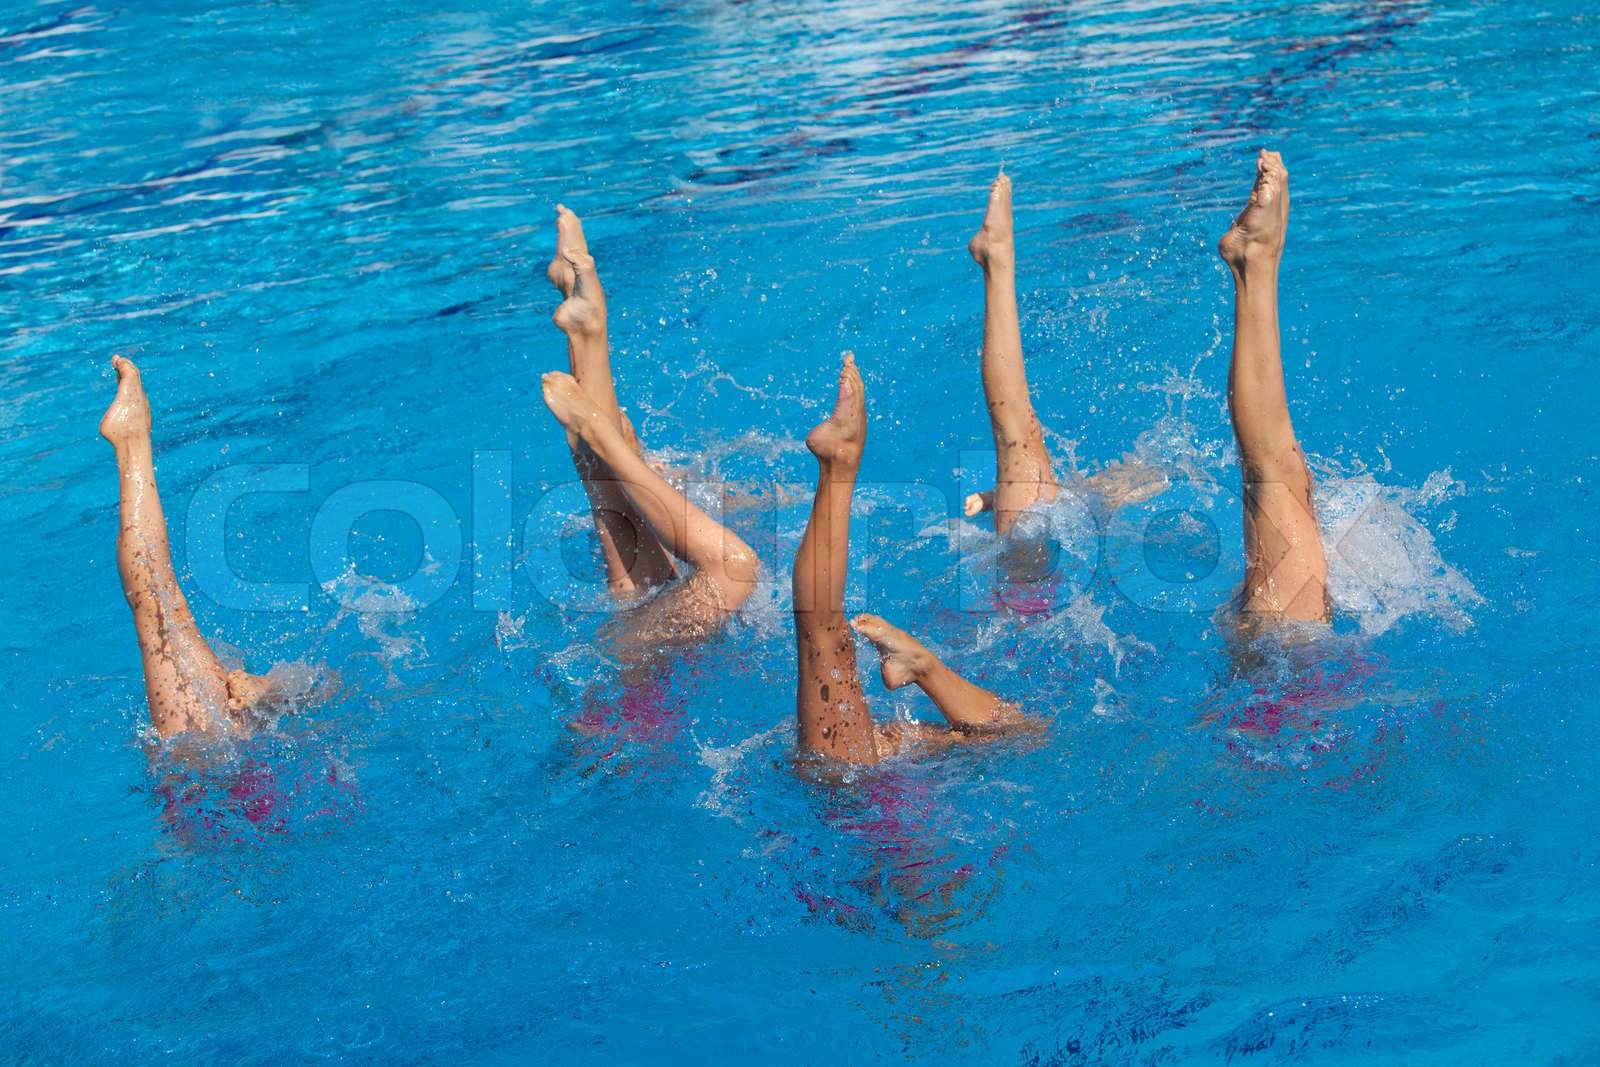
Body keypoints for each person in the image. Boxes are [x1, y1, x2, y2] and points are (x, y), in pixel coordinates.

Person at [790, 353, 1033, 764]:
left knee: (826, 642)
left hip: (856, 792)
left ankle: (840, 464)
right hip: (867, 792)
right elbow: (1022, 732)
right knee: (825, 642)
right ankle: (921, 665)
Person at [100, 356, 279, 737]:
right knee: (164, 609)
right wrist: (273, 691)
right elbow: (325, 685)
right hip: (224, 761)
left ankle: (134, 444)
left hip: (194, 767)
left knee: (160, 610)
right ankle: (132, 442)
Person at [1217, 150, 1330, 626]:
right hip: (1288, 671)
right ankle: (1256, 265)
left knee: (1275, 472)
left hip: (1282, 663)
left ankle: (1255, 266)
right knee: (1287, 476)